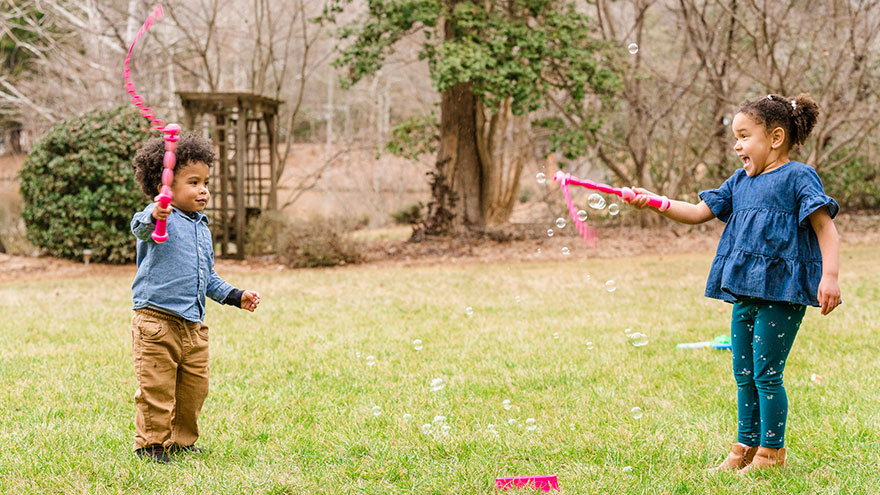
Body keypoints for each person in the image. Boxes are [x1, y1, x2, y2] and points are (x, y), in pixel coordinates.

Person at [627, 93, 840, 473]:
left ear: (775, 138)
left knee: (766, 373)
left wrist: (830, 277)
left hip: (783, 290)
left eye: (744, 136)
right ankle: (744, 447)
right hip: (744, 288)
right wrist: (656, 202)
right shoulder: (739, 182)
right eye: (735, 138)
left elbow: (826, 228)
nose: (737, 145)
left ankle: (771, 453)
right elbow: (696, 212)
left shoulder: (798, 177)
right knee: (743, 374)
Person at [129, 132, 261, 463]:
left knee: (193, 390)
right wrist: (155, 214)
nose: (203, 189)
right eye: (193, 182)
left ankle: (182, 440)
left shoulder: (201, 226)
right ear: (166, 186)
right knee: (156, 389)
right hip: (156, 323)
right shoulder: (159, 216)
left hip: (193, 326)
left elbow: (207, 276)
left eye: (206, 182)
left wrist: (235, 295)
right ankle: (151, 445)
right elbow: (140, 227)